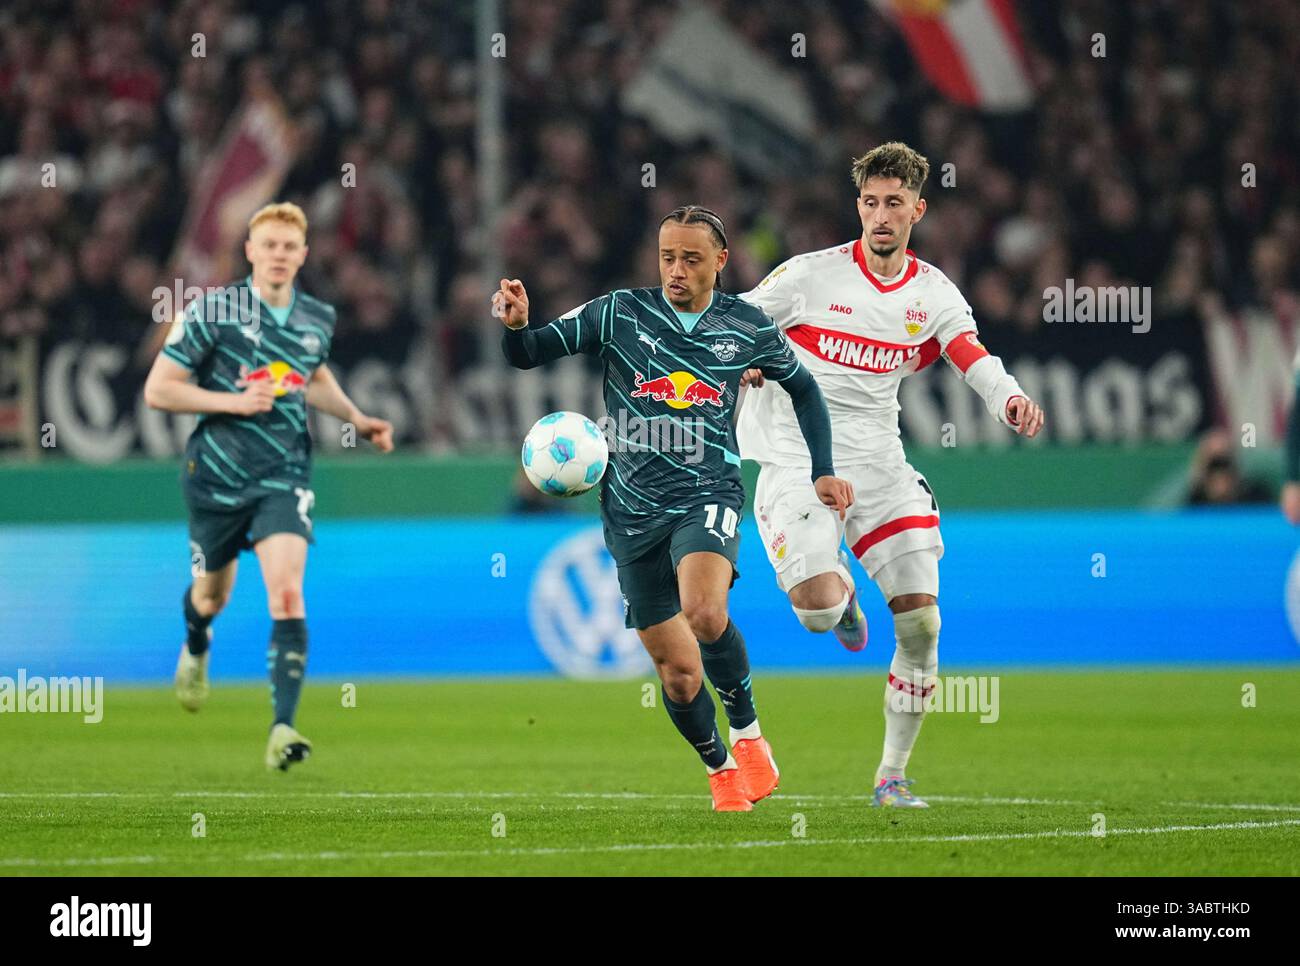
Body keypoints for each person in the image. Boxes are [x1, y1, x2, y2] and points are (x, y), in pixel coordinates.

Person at [496, 205, 854, 811]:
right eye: (668, 257)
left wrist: (822, 469)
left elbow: (805, 390)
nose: (677, 270)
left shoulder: (746, 327)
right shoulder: (619, 313)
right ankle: (719, 768)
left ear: (721, 261)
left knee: (705, 611)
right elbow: (530, 353)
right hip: (630, 512)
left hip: (708, 493)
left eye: (691, 258)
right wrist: (516, 327)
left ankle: (748, 734)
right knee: (679, 674)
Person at [735, 143, 1045, 807]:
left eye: (894, 204)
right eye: (871, 202)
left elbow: (972, 355)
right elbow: (733, 325)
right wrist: (748, 359)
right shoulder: (808, 277)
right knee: (818, 615)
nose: (881, 214)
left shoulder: (932, 293)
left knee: (923, 627)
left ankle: (891, 777)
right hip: (796, 458)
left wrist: (1009, 397)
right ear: (859, 207)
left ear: (917, 211)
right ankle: (842, 599)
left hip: (879, 465)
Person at [143, 202, 394, 770]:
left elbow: (313, 374)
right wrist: (233, 401)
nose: (279, 255)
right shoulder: (212, 311)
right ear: (250, 251)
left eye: (289, 247)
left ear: (303, 255)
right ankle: (198, 641)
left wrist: (357, 418)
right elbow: (160, 389)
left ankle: (282, 727)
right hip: (216, 474)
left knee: (286, 591)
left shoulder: (316, 318)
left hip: (284, 473)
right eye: (269, 246)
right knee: (213, 596)